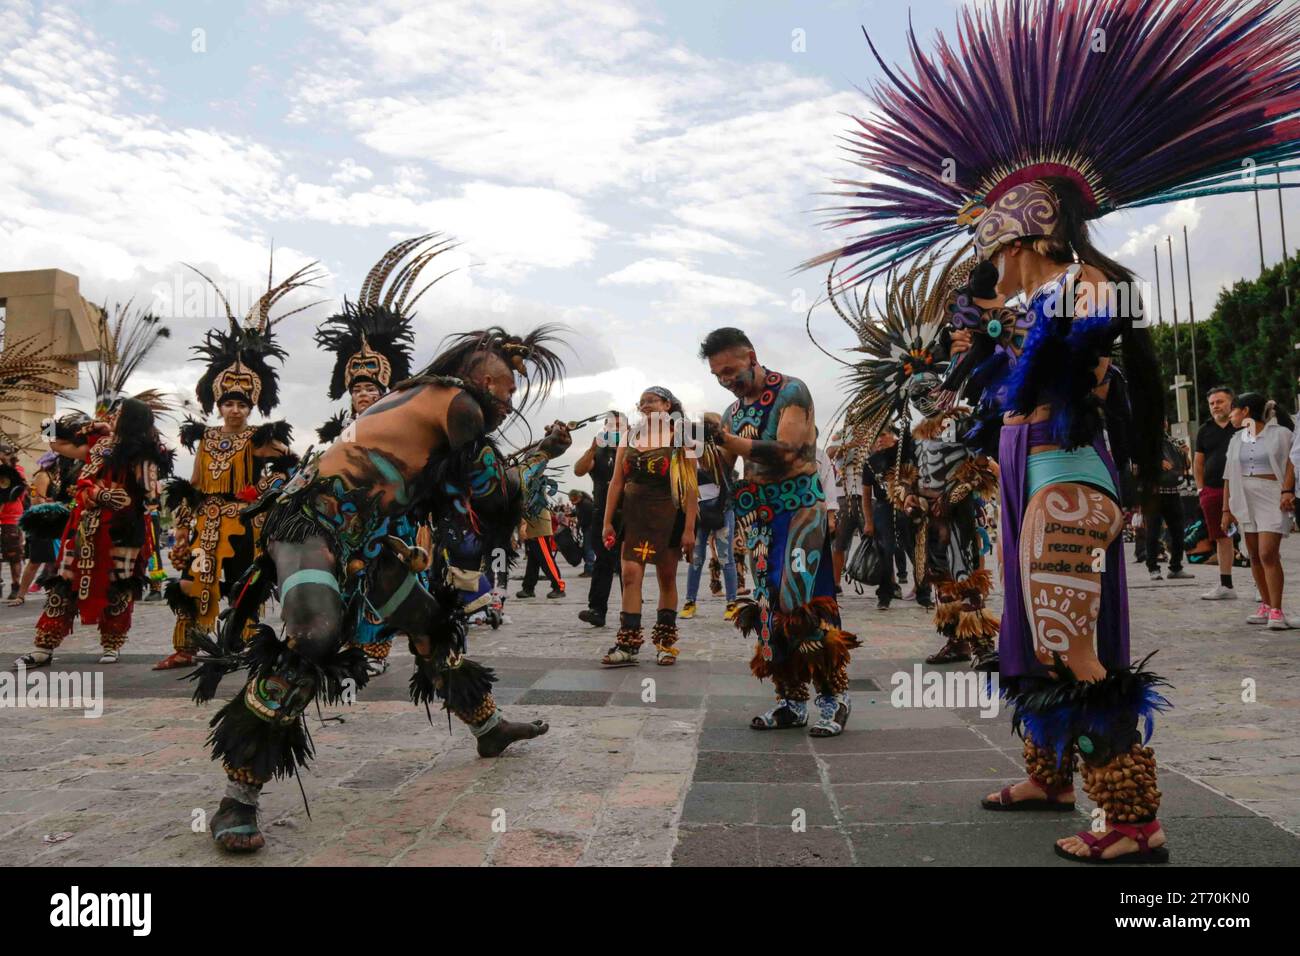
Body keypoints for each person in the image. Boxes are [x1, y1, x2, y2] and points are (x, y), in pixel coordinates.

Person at [192, 321, 572, 853]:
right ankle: (238, 796)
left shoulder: (423, 398)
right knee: (315, 636)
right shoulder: (459, 403)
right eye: (507, 393)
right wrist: (544, 454)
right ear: (484, 381)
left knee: (431, 624)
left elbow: (471, 476)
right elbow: (490, 488)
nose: (508, 406)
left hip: (370, 543)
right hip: (312, 527)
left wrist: (535, 455)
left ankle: (486, 726)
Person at [701, 329, 858, 735]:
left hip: (801, 509)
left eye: (731, 370)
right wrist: (704, 448)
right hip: (759, 516)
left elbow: (787, 448)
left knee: (804, 599)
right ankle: (790, 699)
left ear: (752, 356)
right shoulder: (734, 411)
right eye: (718, 375)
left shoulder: (792, 391)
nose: (726, 380)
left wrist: (728, 440)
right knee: (769, 605)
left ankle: (833, 696)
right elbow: (727, 464)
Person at [157, 263, 306, 670]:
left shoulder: (260, 439)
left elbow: (290, 468)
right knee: (192, 583)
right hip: (207, 521)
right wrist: (184, 526)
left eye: (242, 403)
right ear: (218, 404)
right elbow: (192, 484)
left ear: (251, 406)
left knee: (245, 586)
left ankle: (244, 645)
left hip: (244, 523)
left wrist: (263, 491)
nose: (235, 409)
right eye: (229, 403)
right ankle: (186, 647)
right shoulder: (204, 437)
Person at [314, 237, 429, 675]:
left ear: (385, 392)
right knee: (348, 578)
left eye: (371, 388)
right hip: (344, 519)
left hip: (388, 517)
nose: (363, 394)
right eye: (357, 388)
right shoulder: (334, 432)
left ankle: (378, 650)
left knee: (380, 579)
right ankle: (351, 645)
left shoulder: (399, 429)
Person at [600, 387, 698, 666]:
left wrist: (689, 529)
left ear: (667, 405)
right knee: (630, 575)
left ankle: (665, 644)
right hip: (634, 515)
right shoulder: (629, 436)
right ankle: (628, 644)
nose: (646, 406)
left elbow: (691, 487)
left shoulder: (683, 438)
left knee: (666, 578)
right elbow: (616, 482)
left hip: (669, 513)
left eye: (652, 401)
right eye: (641, 402)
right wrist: (608, 521)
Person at [1223, 392, 1293, 629]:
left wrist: (1287, 490)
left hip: (1272, 494)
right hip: (1244, 496)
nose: (1230, 415)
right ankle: (1265, 603)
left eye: (1233, 410)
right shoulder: (1235, 439)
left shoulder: (1280, 434)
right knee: (1253, 554)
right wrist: (1226, 510)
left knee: (1267, 553)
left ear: (1245, 412)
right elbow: (1227, 477)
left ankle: (1277, 609)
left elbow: (1293, 462)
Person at [575, 411, 625, 628]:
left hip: (628, 514)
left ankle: (630, 609)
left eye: (619, 426)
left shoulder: (633, 450)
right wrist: (592, 448)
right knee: (602, 563)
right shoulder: (599, 453)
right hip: (602, 514)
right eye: (610, 425)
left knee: (628, 564)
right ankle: (597, 610)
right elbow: (578, 470)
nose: (614, 429)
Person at [10, 451, 79, 607]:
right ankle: (20, 595)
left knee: (59, 560)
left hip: (54, 523)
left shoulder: (56, 478)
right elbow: (36, 501)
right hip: (42, 525)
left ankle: (58, 593)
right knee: (35, 561)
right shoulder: (43, 476)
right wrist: (55, 504)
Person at [681, 450, 738, 621]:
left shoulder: (721, 457)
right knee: (695, 558)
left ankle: (732, 602)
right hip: (698, 512)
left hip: (722, 511)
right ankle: (690, 601)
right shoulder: (688, 458)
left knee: (725, 558)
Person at [1196, 386, 1241, 600]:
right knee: (1222, 537)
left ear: (1231, 402)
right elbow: (1198, 461)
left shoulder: (1240, 426)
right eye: (1212, 403)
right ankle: (1226, 585)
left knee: (1257, 535)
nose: (1216, 406)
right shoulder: (1204, 430)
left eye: (1220, 401)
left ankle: (1264, 587)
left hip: (1242, 488)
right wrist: (1200, 488)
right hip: (1213, 490)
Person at [1144, 419, 1193, 582]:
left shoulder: (1172, 441)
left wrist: (1185, 454)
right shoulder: (1145, 443)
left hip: (1173, 492)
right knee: (1153, 531)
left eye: (1163, 420)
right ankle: (1153, 568)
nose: (1162, 423)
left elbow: (1186, 466)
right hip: (1153, 493)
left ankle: (1176, 567)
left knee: (1178, 531)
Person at [517, 504, 564, 599]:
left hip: (538, 528)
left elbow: (530, 503)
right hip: (531, 527)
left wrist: (523, 524)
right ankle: (528, 588)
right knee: (532, 561)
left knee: (546, 559)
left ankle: (559, 587)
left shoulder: (529, 489)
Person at [0, 443, 27, 600]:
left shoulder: (18, 471)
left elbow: (18, 487)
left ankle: (16, 585)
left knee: (14, 555)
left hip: (11, 519)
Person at [569, 489, 595, 576]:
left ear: (579, 497)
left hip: (589, 529)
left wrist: (577, 523)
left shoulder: (586, 504)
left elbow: (585, 520)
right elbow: (576, 512)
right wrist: (569, 515)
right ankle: (588, 568)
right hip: (587, 529)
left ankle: (590, 569)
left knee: (588, 549)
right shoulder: (581, 504)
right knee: (586, 548)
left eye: (573, 500)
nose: (573, 503)